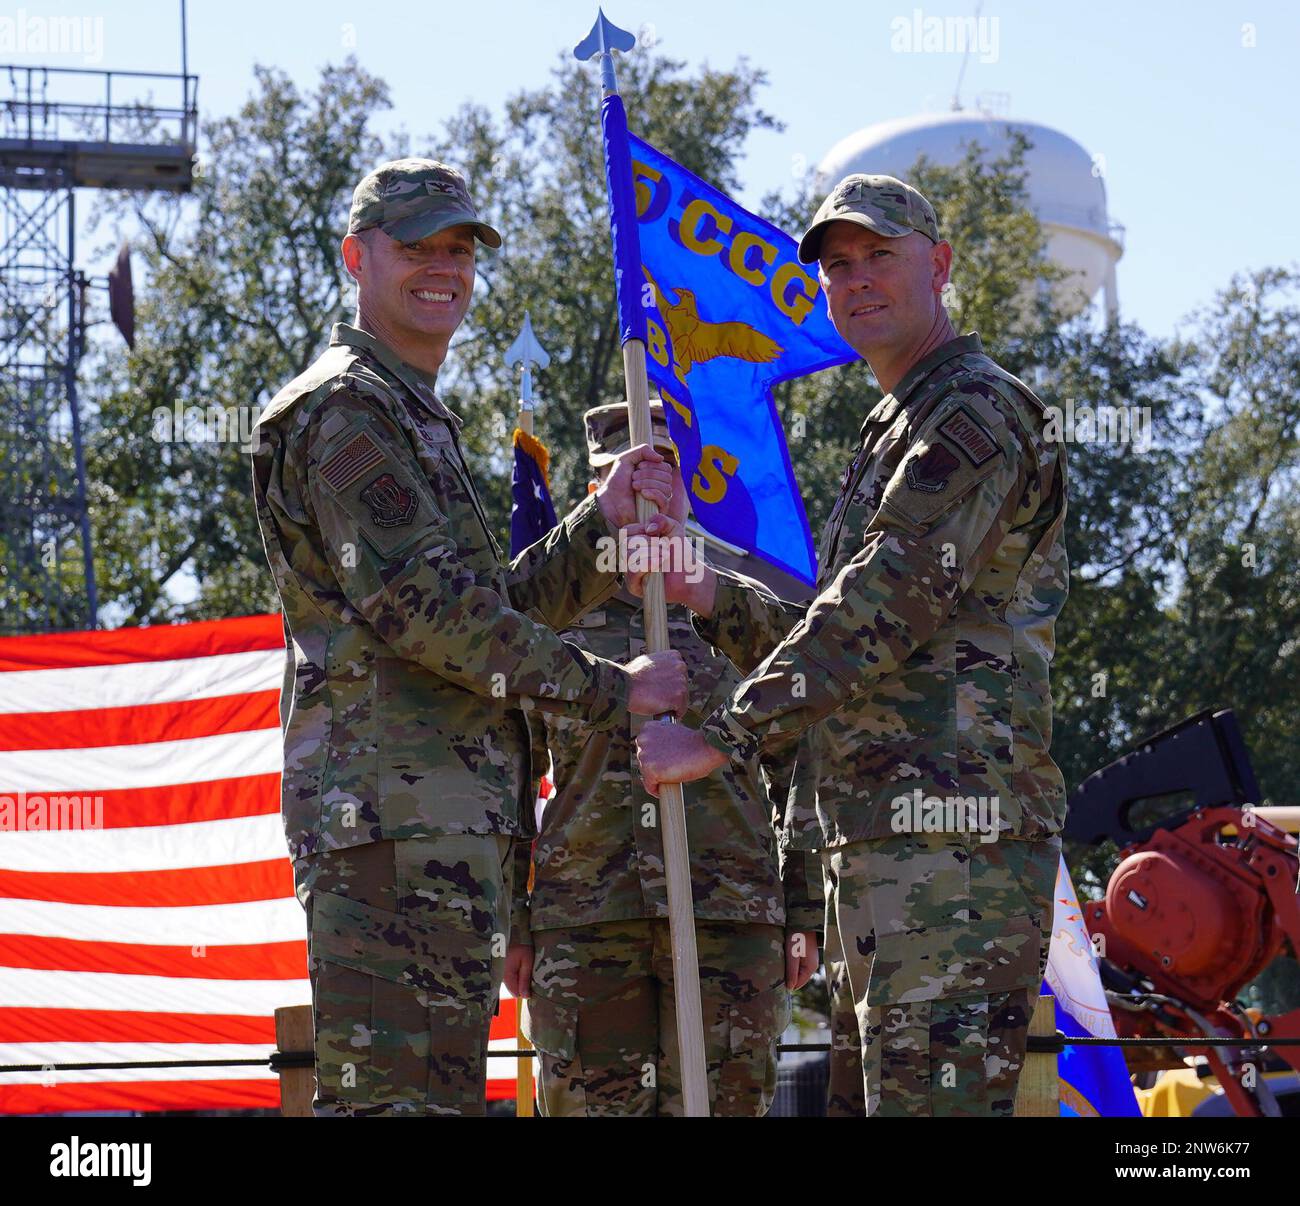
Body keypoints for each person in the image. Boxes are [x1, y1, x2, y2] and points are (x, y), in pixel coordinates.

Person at [250, 158, 686, 1116]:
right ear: (356, 257)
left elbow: (486, 605)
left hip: (441, 827)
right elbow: (434, 616)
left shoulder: (410, 411)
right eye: (417, 247)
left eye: (459, 249)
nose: (443, 267)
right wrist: (618, 689)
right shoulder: (345, 410)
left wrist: (599, 526)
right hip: (390, 827)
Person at [635, 173, 1069, 1117]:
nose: (858, 279)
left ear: (940, 265)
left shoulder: (974, 414)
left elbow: (884, 605)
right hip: (883, 849)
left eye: (881, 255)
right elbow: (840, 627)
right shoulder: (901, 423)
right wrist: (709, 592)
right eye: (838, 265)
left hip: (948, 851)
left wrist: (722, 734)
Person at [503, 401, 822, 1117]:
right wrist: (512, 922)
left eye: (664, 474)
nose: (650, 492)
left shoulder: (734, 604)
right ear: (596, 490)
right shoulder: (549, 611)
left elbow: (800, 747)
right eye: (628, 474)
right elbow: (512, 770)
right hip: (586, 916)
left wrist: (803, 908)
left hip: (727, 912)